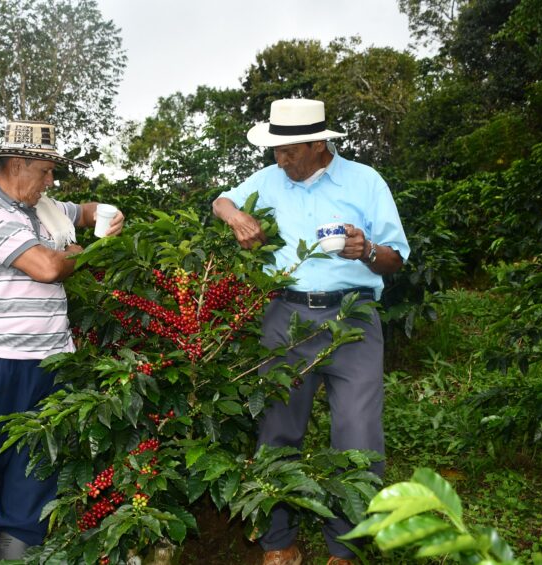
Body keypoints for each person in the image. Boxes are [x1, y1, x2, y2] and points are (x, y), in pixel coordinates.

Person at [212, 99, 409, 565]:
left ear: (319, 144)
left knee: (359, 436)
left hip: (353, 318)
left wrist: (366, 250)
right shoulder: (268, 179)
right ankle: (279, 542)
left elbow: (396, 258)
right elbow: (221, 200)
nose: (280, 160)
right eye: (275, 150)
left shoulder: (366, 181)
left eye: (289, 151)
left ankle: (346, 546)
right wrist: (236, 217)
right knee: (277, 429)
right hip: (285, 317)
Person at [0, 119, 124, 564]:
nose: (51, 181)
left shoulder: (46, 207)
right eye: (45, 171)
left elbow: (87, 212)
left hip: (52, 363)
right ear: (17, 164)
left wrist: (107, 214)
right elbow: (47, 267)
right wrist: (82, 252)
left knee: (34, 475)